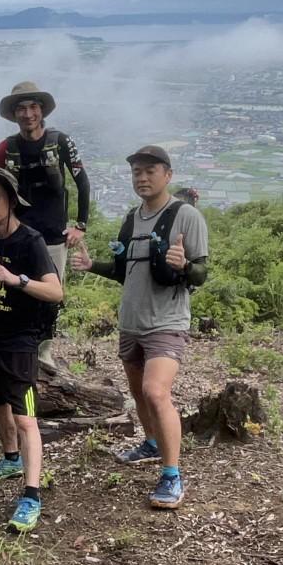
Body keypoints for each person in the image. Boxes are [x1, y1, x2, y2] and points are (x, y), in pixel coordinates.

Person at [73, 144, 209, 509]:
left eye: (150, 170)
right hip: (130, 321)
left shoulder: (186, 216)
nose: (142, 177)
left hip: (166, 321)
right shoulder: (132, 218)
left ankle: (172, 474)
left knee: (155, 392)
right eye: (137, 172)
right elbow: (123, 271)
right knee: (138, 392)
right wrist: (92, 266)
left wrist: (184, 266)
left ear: (168, 174)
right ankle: (151, 442)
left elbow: (202, 273)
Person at [0, 166, 64, 533]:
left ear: (10, 202)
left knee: (25, 417)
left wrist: (17, 280)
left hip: (22, 340)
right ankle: (9, 459)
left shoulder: (30, 241)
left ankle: (31, 494)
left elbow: (56, 291)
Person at [0, 81, 89, 374]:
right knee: (15, 290)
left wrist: (80, 225)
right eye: (21, 108)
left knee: (50, 296)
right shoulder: (6, 149)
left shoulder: (60, 142)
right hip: (17, 235)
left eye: (33, 107)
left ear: (42, 110)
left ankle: (44, 354)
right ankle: (18, 347)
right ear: (14, 114)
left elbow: (82, 182)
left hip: (52, 236)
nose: (28, 113)